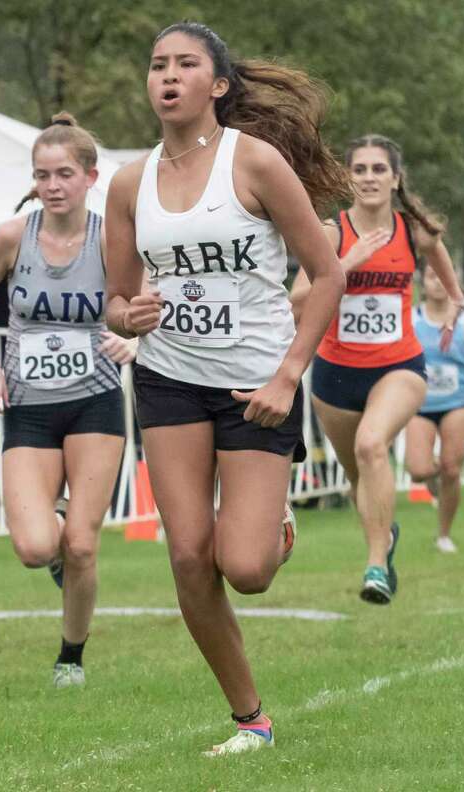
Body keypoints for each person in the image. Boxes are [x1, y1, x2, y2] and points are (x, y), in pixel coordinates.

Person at [104, 22, 346, 755]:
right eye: (156, 66)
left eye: (185, 65)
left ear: (218, 85)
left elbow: (329, 271)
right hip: (170, 377)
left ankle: (270, 526)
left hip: (256, 382)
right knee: (186, 556)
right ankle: (251, 719)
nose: (167, 76)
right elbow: (114, 300)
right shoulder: (126, 181)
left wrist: (288, 375)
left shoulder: (256, 162)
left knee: (245, 570)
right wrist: (131, 313)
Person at [0, 114, 134, 688]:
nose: (53, 185)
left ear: (89, 177)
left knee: (82, 545)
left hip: (95, 402)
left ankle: (70, 657)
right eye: (43, 175)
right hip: (28, 404)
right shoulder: (14, 237)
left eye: (64, 174)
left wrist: (131, 337)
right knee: (37, 549)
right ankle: (54, 528)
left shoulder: (113, 238)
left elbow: (147, 301)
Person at [292, 134, 464, 604]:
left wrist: (454, 302)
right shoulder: (332, 233)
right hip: (335, 374)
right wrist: (344, 265)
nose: (369, 177)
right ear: (348, 177)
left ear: (395, 178)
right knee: (359, 478)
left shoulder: (413, 231)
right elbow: (295, 301)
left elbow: (442, 263)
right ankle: (383, 536)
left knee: (373, 445)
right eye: (361, 169)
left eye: (378, 169)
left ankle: (374, 565)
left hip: (400, 366)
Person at [404, 264, 464, 553]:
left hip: (458, 402)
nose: (439, 283)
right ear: (423, 282)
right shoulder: (410, 320)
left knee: (452, 470)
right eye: (433, 277)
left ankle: (444, 534)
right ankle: (432, 477)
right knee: (418, 470)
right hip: (419, 403)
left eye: (445, 278)